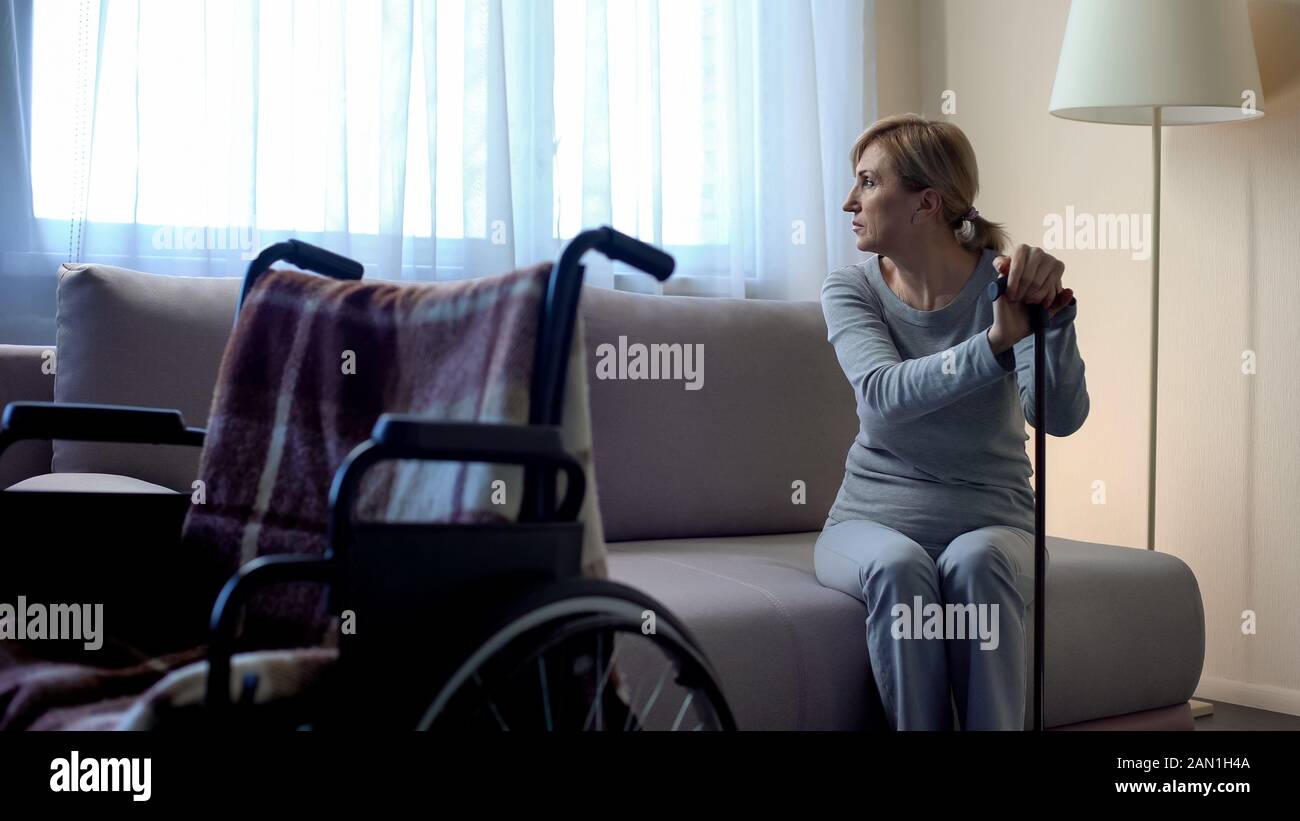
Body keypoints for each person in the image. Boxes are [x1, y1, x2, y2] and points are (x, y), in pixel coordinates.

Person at [817, 113, 1089, 730]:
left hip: (997, 521)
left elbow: (1060, 417)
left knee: (978, 561)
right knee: (896, 565)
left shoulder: (1004, 284)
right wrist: (992, 345)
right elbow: (883, 396)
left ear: (926, 204)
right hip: (866, 522)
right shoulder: (849, 289)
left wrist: (1054, 320)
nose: (847, 202)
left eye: (866, 182)